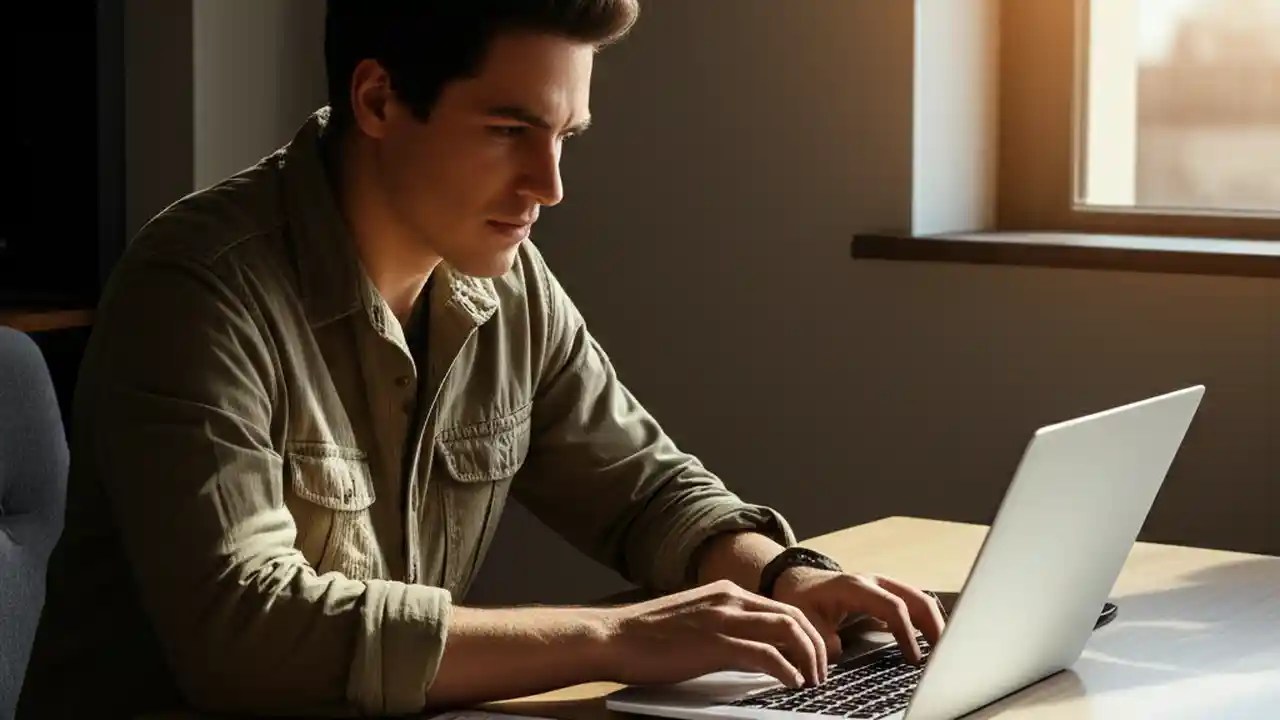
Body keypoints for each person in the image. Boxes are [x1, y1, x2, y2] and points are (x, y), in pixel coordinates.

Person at [19, 2, 944, 717]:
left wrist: (789, 576)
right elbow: (247, 634)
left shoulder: (504, 279)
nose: (549, 186)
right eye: (510, 131)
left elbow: (645, 493)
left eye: (565, 136)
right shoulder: (198, 288)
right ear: (378, 100)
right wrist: (617, 637)